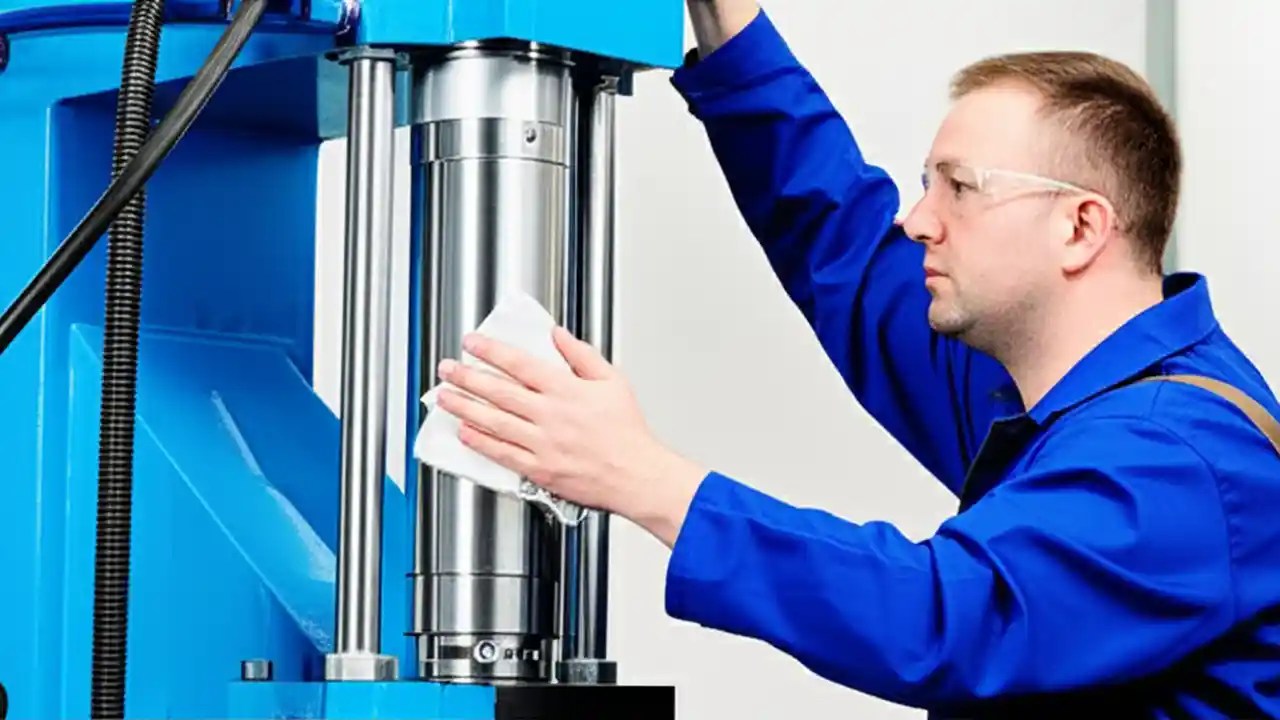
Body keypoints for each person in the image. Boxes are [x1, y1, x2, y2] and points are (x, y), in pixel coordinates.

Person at [431, 1, 1280, 717]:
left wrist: (646, 480)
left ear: (1081, 227)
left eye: (960, 186)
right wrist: (733, 30)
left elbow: (950, 619)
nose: (919, 218)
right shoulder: (1056, 396)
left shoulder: (1180, 456)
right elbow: (842, 245)